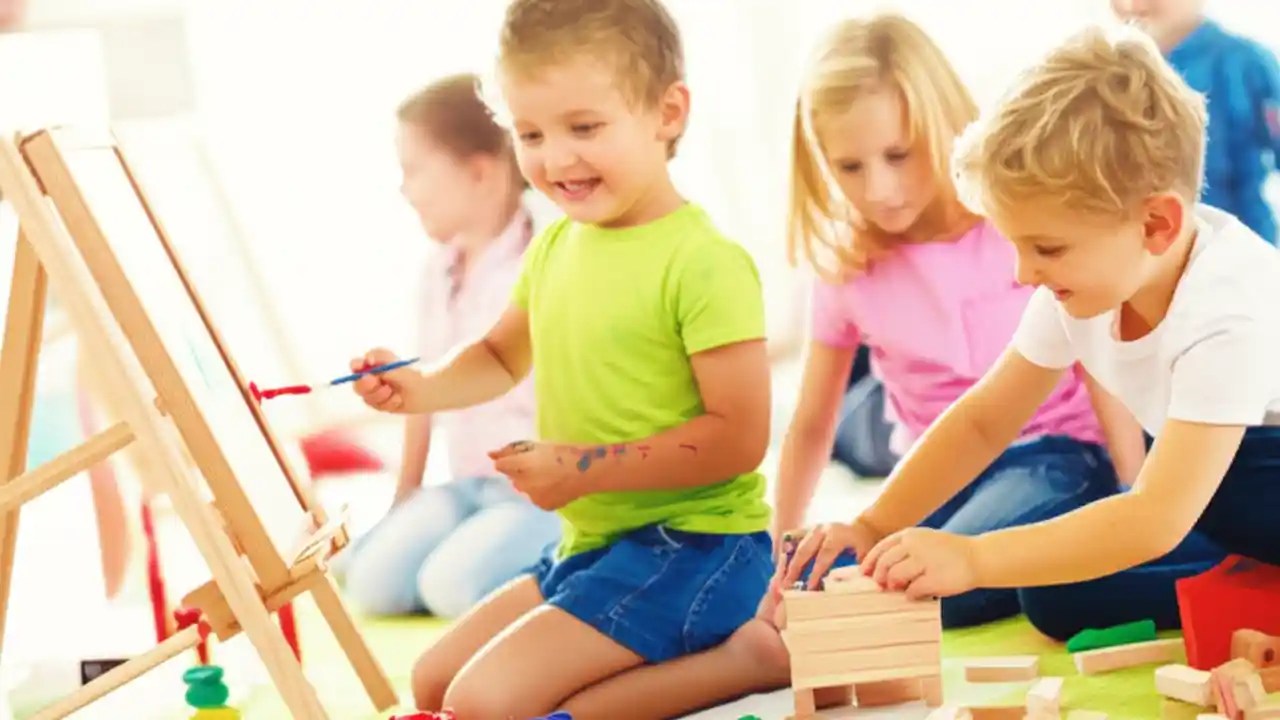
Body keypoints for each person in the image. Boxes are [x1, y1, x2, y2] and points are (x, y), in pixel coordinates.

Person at [789, 21, 1277, 643]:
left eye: (1045, 247)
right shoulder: (1084, 285)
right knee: (1053, 593)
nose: (1023, 272)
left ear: (1156, 223)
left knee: (1075, 548)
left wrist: (973, 558)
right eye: (1017, 245)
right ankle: (1246, 582)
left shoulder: (1227, 309)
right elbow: (984, 419)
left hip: (1253, 485)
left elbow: (1155, 517)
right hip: (1220, 500)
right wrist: (873, 524)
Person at [350, 1, 773, 717]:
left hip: (696, 549)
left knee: (485, 705)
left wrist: (583, 467)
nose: (556, 159)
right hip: (594, 544)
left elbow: (739, 437)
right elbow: (495, 355)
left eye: (585, 127)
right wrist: (418, 388)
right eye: (531, 133)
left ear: (667, 113)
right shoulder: (555, 246)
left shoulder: (704, 262)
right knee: (430, 682)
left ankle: (747, 660)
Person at [337, 74, 559, 620]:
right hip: (464, 487)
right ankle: (441, 545)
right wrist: (403, 498)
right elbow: (424, 394)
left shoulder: (545, 259)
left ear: (480, 172)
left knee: (449, 587)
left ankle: (558, 557)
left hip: (532, 494)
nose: (404, 188)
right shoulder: (439, 271)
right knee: (372, 586)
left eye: (413, 169)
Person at [1111, 0, 1280, 244]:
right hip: (1140, 253)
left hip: (1238, 248)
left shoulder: (1246, 64)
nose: (1131, 3)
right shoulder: (1107, 74)